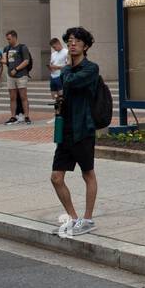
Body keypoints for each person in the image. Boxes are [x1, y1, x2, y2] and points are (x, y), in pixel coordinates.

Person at [51, 26, 100, 236]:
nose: (72, 44)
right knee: (56, 177)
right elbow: (66, 84)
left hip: (83, 128)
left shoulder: (91, 68)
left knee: (87, 173)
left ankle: (88, 219)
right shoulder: (66, 71)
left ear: (85, 46)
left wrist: (65, 72)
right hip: (66, 128)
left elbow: (72, 81)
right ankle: (73, 218)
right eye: (70, 40)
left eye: (77, 41)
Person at [2, 29, 33, 123]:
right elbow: (5, 60)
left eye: (9, 39)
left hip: (21, 75)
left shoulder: (22, 47)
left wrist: (16, 69)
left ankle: (26, 116)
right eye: (7, 39)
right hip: (10, 76)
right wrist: (0, 60)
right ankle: (13, 116)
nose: (8, 41)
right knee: (12, 97)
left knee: (23, 96)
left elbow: (26, 61)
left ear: (15, 37)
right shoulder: (7, 48)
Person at [48, 36, 69, 103]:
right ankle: (57, 112)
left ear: (58, 43)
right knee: (55, 97)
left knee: (61, 97)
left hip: (60, 76)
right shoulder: (53, 54)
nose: (54, 49)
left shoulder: (66, 52)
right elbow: (51, 64)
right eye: (53, 48)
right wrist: (50, 67)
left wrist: (56, 67)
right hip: (53, 77)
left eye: (54, 47)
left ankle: (62, 112)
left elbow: (67, 66)